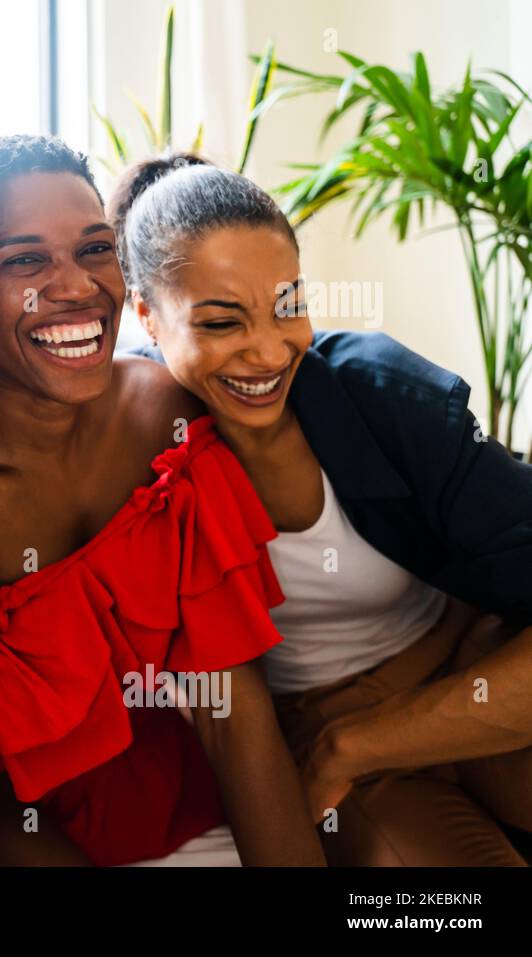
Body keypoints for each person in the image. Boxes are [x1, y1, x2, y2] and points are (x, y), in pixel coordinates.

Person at [0, 136, 326, 866]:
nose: (74, 287)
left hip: (182, 791)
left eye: (94, 249)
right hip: (9, 832)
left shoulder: (165, 420)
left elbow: (234, 711)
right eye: (24, 260)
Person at [114, 152, 532, 865]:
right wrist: (336, 747)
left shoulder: (381, 395)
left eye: (287, 306)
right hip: (323, 731)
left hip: (467, 679)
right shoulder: (133, 447)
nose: (270, 350)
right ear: (147, 314)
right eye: (221, 323)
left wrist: (354, 744)